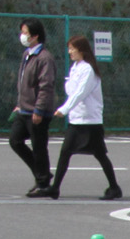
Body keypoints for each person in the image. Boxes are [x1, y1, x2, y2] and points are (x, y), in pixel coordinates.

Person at [47, 36, 122, 200]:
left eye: (72, 48)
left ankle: (115, 187)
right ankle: (55, 188)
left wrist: (64, 109)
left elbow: (81, 93)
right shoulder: (75, 68)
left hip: (90, 121)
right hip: (77, 120)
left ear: (81, 50)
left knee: (100, 155)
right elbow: (71, 90)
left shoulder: (88, 70)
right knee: (65, 152)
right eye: (69, 48)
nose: (70, 52)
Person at [9, 21, 58, 197]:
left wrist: (38, 110)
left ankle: (43, 183)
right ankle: (41, 173)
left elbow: (46, 86)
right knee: (15, 141)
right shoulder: (27, 55)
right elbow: (23, 83)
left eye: (25, 32)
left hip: (37, 111)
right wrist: (19, 103)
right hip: (24, 109)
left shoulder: (45, 58)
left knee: (39, 146)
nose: (22, 36)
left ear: (35, 35)